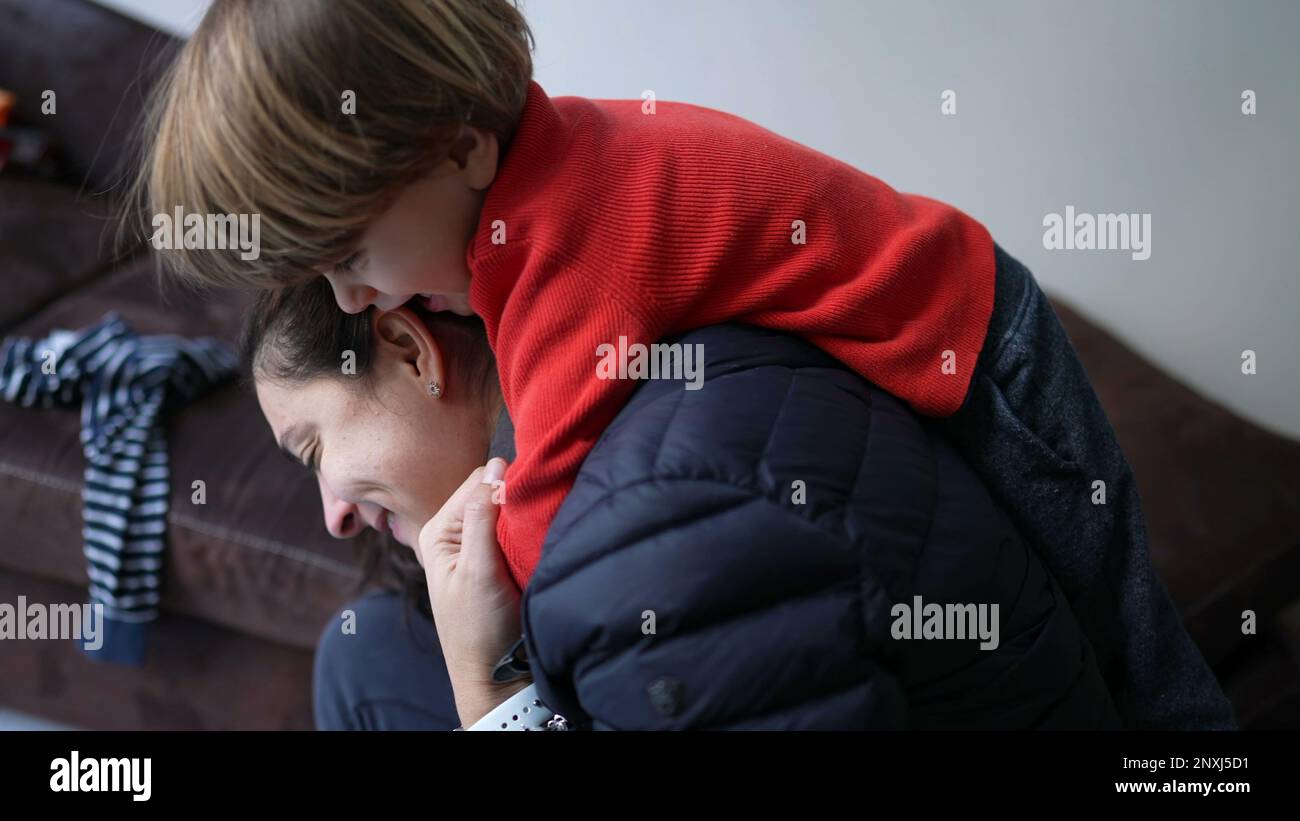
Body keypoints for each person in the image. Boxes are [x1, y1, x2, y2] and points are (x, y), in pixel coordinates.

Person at [141, 0, 1233, 728]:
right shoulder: (532, 198)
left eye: (348, 255)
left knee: (1128, 639)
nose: (351, 295)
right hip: (951, 310)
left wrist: (495, 617)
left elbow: (552, 465)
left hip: (984, 338)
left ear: (454, 148)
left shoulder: (569, 234)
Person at [247, 278, 1125, 729]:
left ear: (408, 349)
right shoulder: (590, 383)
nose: (334, 512)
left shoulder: (645, 545)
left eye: (316, 449)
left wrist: (495, 690)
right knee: (360, 655)